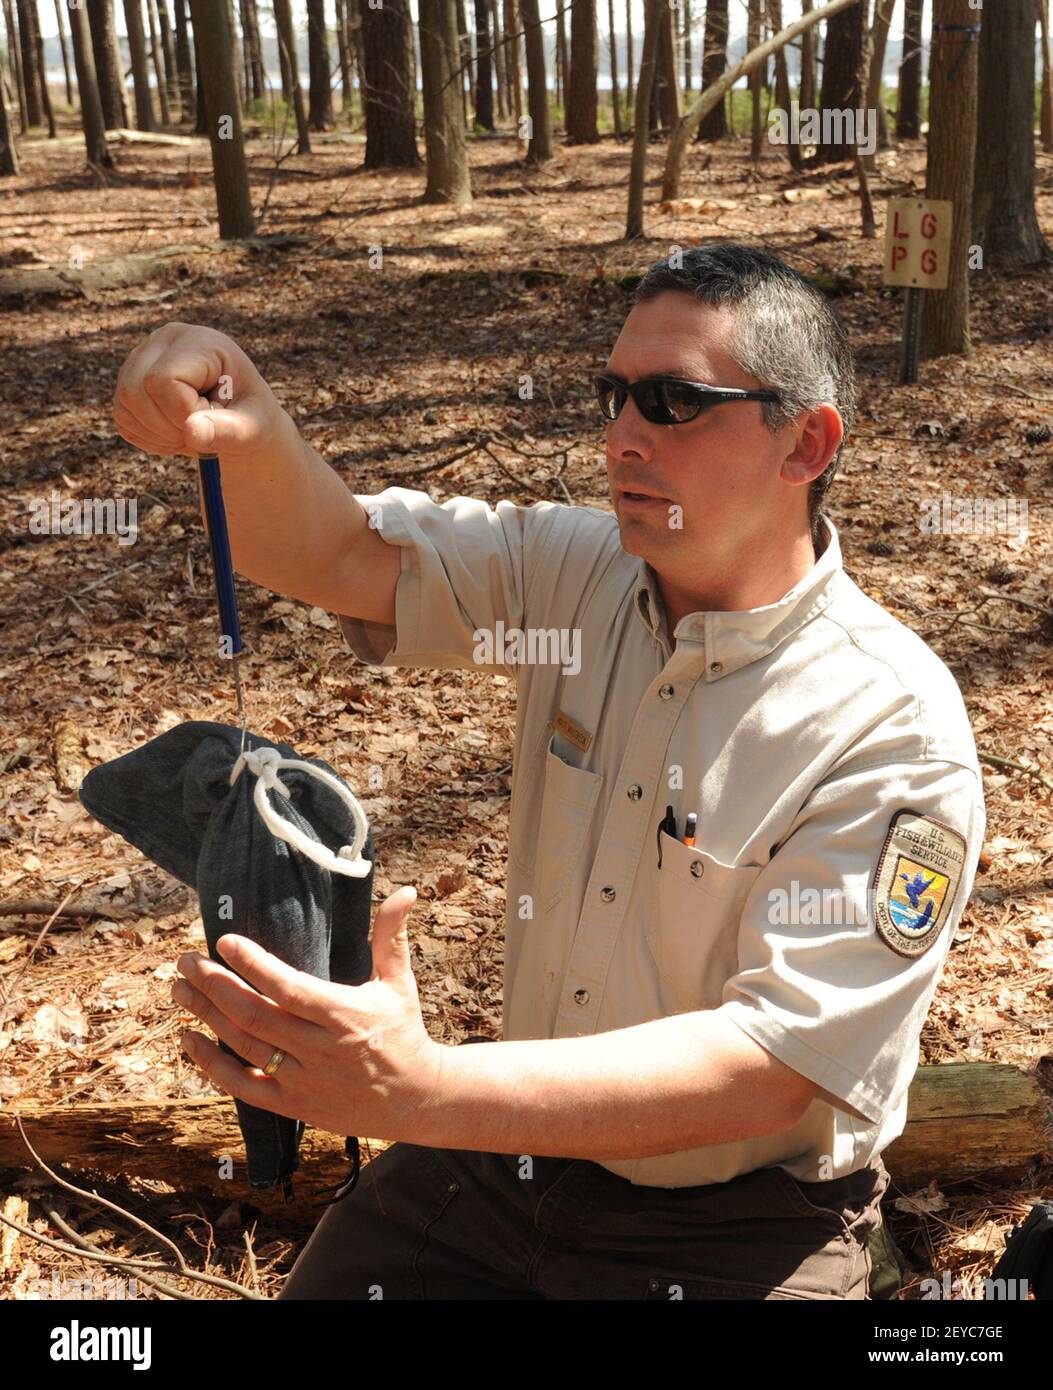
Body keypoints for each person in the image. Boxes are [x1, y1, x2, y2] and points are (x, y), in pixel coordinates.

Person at [113, 243, 985, 1300]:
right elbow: (338, 555)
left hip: (742, 1228)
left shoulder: (892, 723)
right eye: (613, 395)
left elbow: (769, 1069)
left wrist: (425, 1088)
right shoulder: (575, 580)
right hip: (501, 1161)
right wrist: (231, 415)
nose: (622, 436)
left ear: (806, 442)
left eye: (672, 401)